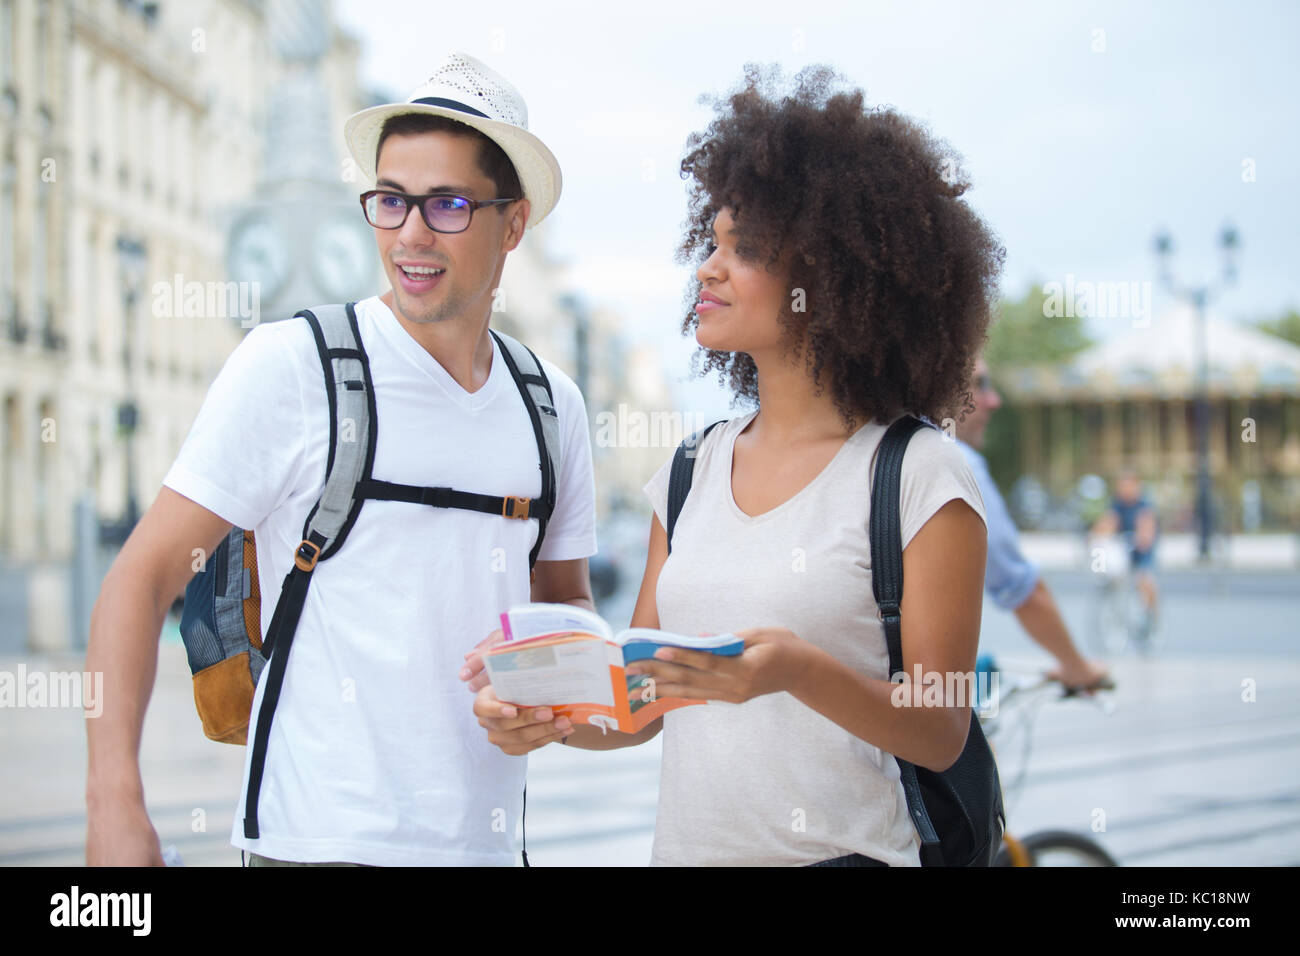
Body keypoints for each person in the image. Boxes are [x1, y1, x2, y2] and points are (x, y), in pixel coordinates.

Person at [469, 64, 1002, 866]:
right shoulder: (687, 474)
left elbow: (938, 728)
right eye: (710, 243)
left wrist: (795, 670)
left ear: (828, 276)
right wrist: (539, 718)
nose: (706, 269)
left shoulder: (920, 476)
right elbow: (639, 703)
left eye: (743, 249)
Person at [84, 52, 597, 866]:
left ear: (514, 223)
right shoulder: (292, 367)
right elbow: (137, 582)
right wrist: (113, 806)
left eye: (448, 204)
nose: (411, 235)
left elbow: (568, 622)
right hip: (310, 844)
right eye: (390, 201)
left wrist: (557, 698)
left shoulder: (550, 406)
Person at [953, 357, 1110, 688]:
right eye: (978, 385)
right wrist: (1077, 667)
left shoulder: (876, 447)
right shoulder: (954, 462)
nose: (994, 400)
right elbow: (1019, 586)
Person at [1091, 466, 1160, 637]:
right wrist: (1097, 535)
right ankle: (1101, 576)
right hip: (1124, 546)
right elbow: (1108, 521)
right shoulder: (1117, 504)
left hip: (1141, 549)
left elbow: (1146, 525)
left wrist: (1143, 538)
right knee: (1106, 557)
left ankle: (1152, 615)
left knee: (1143, 578)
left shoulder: (1143, 505)